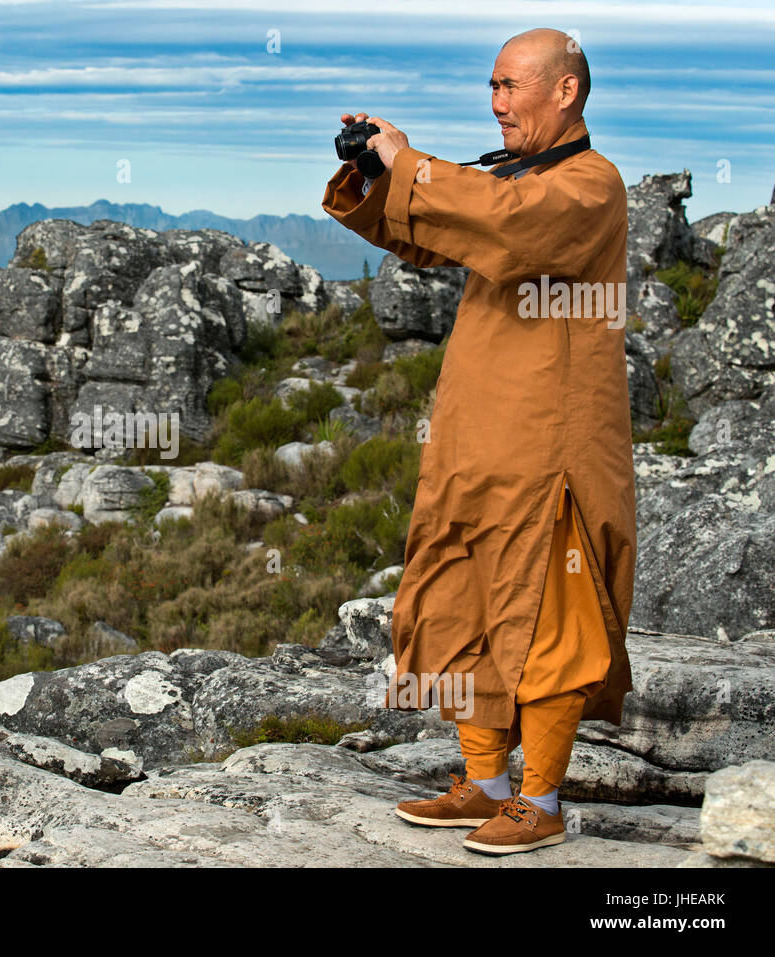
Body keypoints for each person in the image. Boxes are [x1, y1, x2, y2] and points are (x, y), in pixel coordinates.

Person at [321, 27, 635, 855]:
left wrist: (417, 163)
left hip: (550, 446)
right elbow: (427, 232)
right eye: (491, 87)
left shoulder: (589, 185)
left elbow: (507, 226)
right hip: (478, 438)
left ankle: (543, 799)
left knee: (550, 621)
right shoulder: (509, 179)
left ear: (565, 92)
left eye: (510, 87)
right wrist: (378, 170)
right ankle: (485, 782)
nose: (496, 104)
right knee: (467, 603)